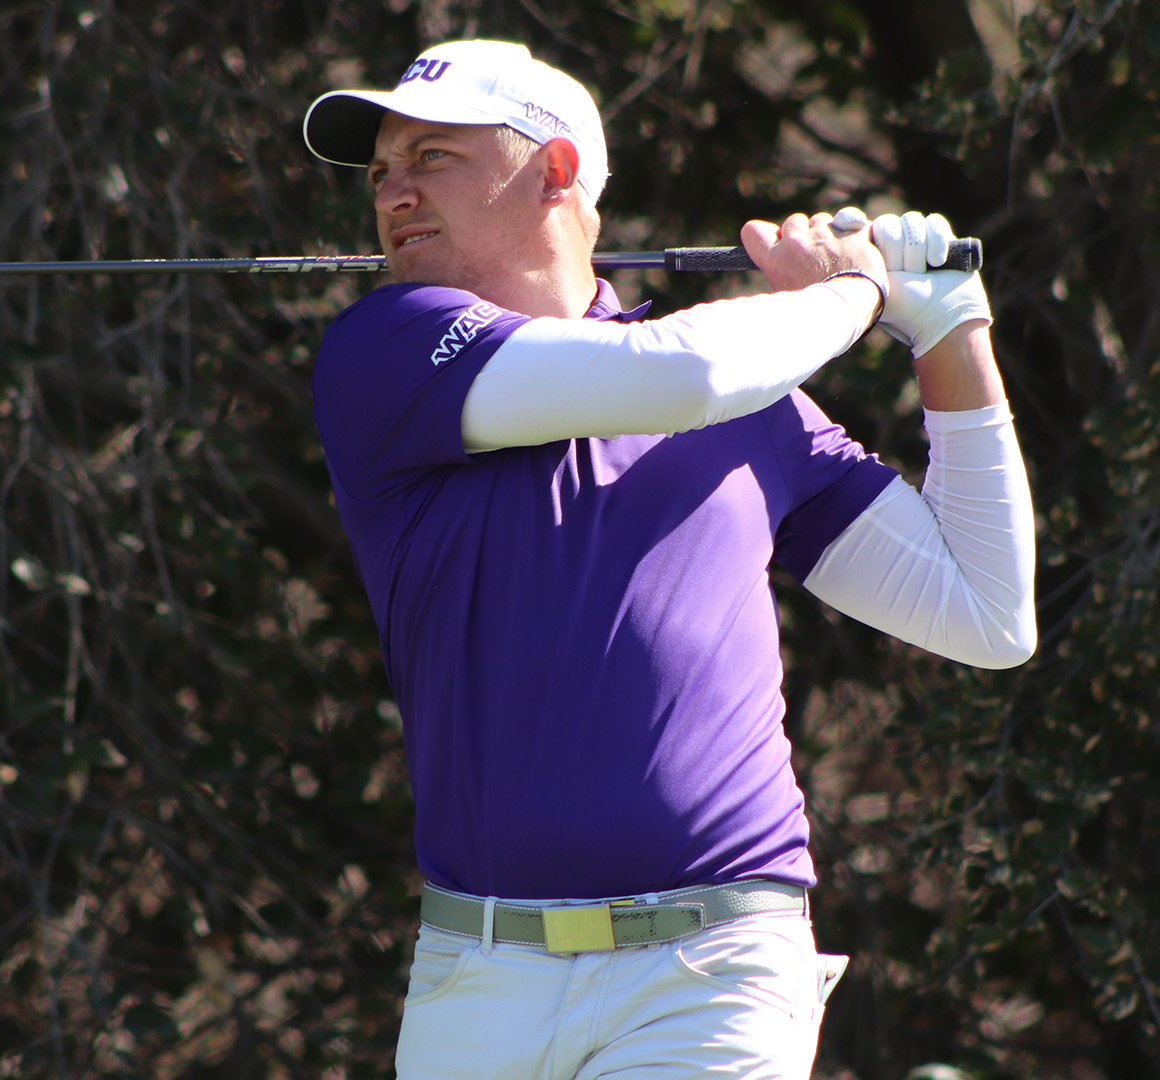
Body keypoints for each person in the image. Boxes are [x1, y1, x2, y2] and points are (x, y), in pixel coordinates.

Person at [302, 39, 1035, 1079]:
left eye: (432, 157)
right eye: (381, 172)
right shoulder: (383, 352)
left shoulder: (757, 398)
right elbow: (678, 372)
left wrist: (948, 326)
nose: (394, 193)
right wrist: (854, 297)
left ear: (555, 171)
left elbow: (987, 614)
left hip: (712, 971)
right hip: (479, 977)